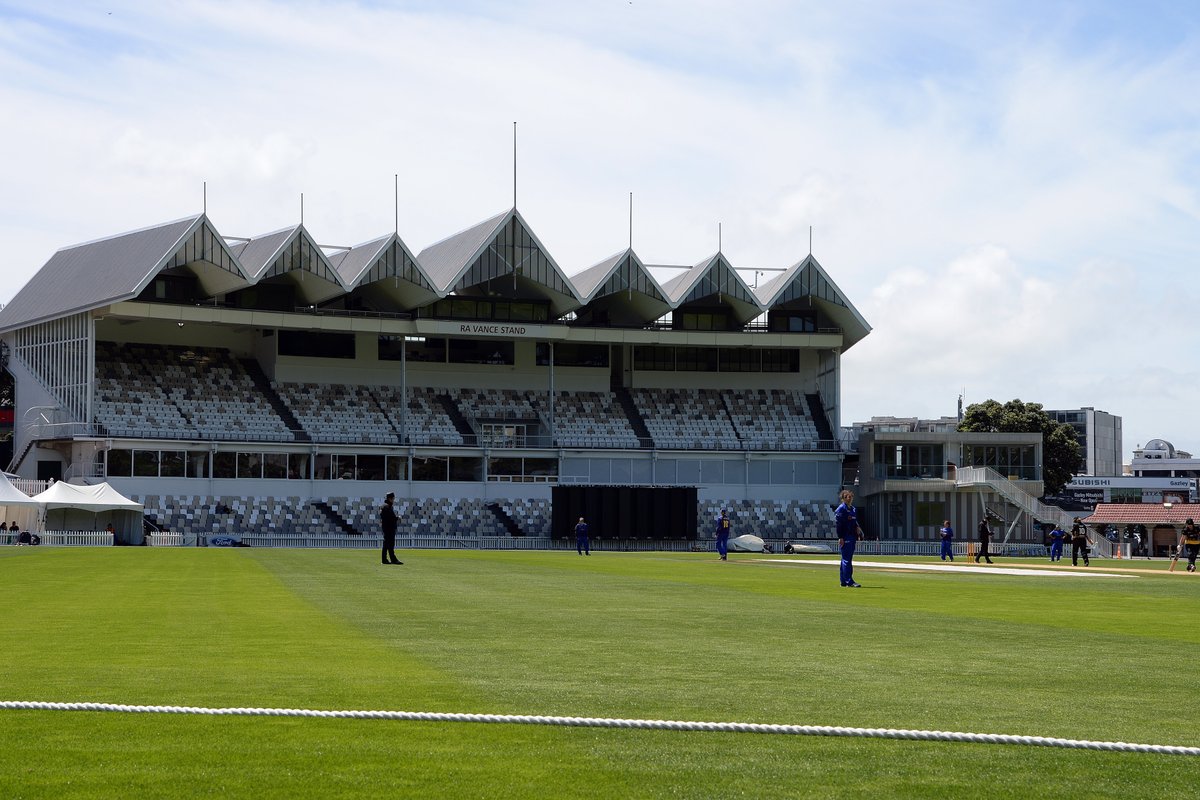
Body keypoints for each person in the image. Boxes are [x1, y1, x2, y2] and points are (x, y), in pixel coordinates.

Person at [835, 489, 863, 587]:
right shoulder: (841, 509)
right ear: (843, 498)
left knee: (846, 558)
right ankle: (849, 581)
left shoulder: (853, 509)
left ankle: (843, 580)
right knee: (846, 559)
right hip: (845, 535)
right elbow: (839, 524)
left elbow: (854, 522)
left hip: (852, 536)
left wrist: (857, 527)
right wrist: (841, 537)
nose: (850, 498)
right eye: (847, 496)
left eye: (851, 496)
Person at [380, 492, 402, 566]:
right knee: (390, 545)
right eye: (393, 498)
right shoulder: (387, 507)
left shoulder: (384, 506)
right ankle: (392, 559)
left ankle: (385, 559)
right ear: (390, 498)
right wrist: (397, 518)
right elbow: (391, 518)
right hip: (389, 528)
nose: (393, 500)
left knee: (386, 544)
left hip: (386, 528)